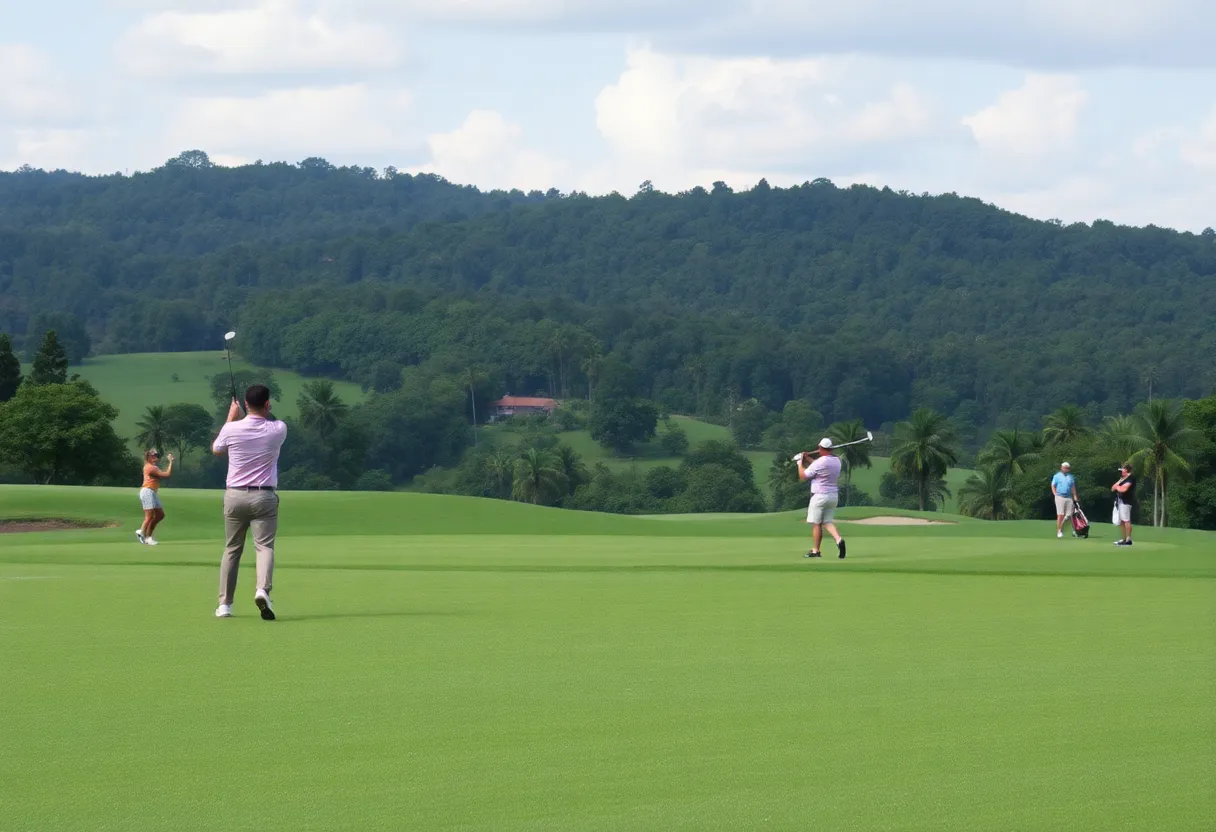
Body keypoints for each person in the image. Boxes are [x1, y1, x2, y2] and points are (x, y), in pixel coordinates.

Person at [211, 384, 288, 620]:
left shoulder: (231, 428)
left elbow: (216, 449)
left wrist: (231, 417)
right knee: (264, 547)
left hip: (234, 496)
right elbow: (267, 421)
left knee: (232, 549)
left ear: (245, 404)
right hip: (264, 496)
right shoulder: (278, 429)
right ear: (267, 404)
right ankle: (262, 590)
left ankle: (225, 605)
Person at [798, 437, 847, 559]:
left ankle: (816, 551)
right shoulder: (836, 461)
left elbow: (803, 475)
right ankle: (839, 540)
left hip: (819, 497)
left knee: (816, 524)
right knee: (827, 522)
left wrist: (799, 463)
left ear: (820, 448)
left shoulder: (820, 462)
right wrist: (808, 459)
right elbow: (818, 466)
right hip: (833, 496)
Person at [137, 449, 174, 545]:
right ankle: (141, 532)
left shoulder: (153, 467)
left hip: (152, 492)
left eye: (156, 456)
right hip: (147, 491)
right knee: (149, 517)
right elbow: (167, 474)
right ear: (148, 457)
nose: (155, 457)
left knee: (160, 515)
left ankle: (148, 537)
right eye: (153, 456)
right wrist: (170, 462)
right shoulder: (150, 468)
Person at [1111, 463, 1136, 546]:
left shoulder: (1131, 478)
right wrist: (1118, 485)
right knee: (1122, 520)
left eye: (1122, 470)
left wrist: (1118, 487)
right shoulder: (1122, 478)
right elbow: (1112, 488)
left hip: (1126, 501)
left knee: (1126, 520)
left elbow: (1123, 489)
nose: (1121, 472)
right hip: (1120, 501)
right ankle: (1124, 539)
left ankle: (1128, 539)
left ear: (1126, 470)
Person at [1051, 461, 1077, 539]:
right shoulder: (1057, 476)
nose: (1065, 469)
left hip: (1069, 497)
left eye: (1067, 468)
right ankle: (1059, 531)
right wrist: (1055, 493)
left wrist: (1075, 495)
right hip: (1059, 496)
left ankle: (1074, 530)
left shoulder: (1071, 477)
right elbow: (1053, 485)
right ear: (1061, 468)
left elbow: (1073, 487)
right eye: (1064, 467)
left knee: (1070, 515)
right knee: (1060, 515)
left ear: (1069, 469)